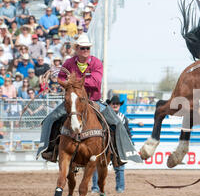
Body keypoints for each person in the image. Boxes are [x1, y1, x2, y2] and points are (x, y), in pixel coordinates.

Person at [36, 33, 142, 165]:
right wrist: (71, 82)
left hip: (94, 101)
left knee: (117, 123)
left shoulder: (96, 63)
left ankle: (119, 154)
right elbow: (60, 78)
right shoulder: (69, 62)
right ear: (77, 49)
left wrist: (74, 81)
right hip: (74, 102)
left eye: (87, 48)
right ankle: (49, 149)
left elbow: (96, 82)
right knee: (49, 119)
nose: (85, 51)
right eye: (82, 48)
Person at [92, 95, 131, 194]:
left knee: (120, 166)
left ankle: (120, 188)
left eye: (117, 104)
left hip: (117, 144)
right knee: (97, 165)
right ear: (109, 104)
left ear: (119, 105)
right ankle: (95, 187)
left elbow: (126, 132)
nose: (115, 105)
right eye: (113, 103)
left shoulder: (122, 118)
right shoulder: (103, 115)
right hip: (104, 143)